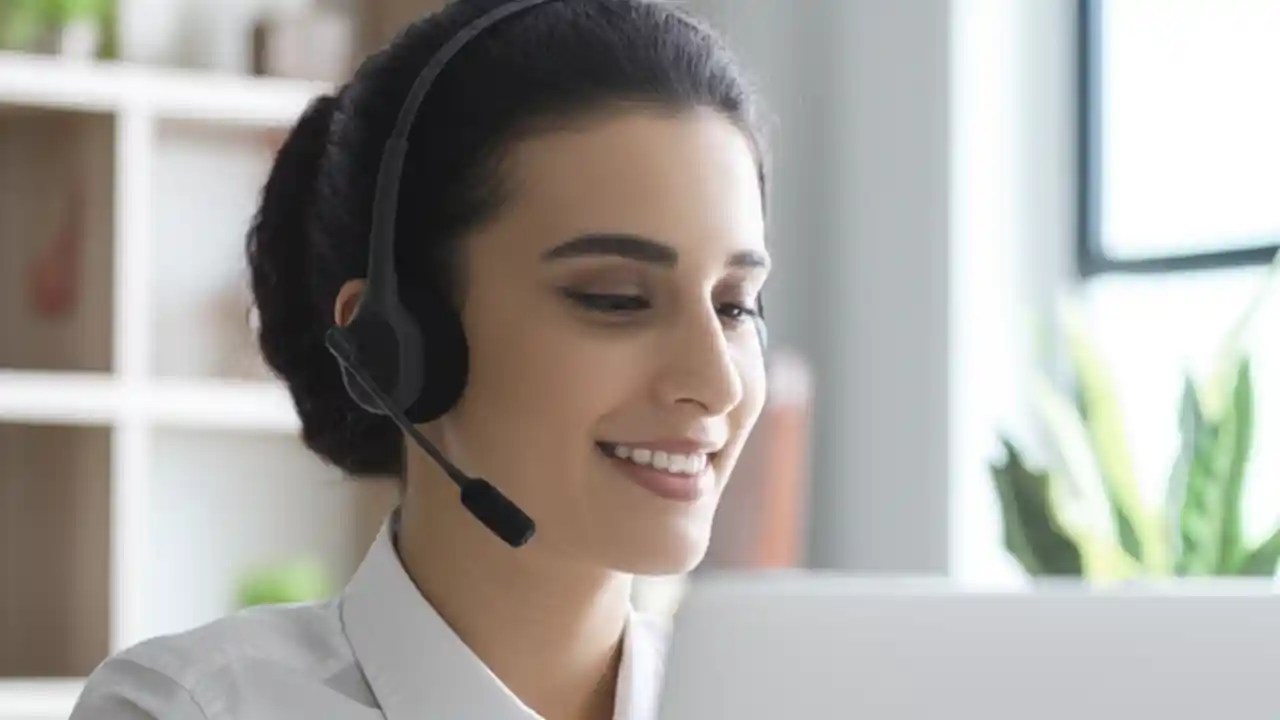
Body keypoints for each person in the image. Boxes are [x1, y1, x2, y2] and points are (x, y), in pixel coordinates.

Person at [69, 0, 771, 717]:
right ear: (394, 343)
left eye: (736, 305)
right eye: (616, 298)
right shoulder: (191, 709)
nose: (714, 382)